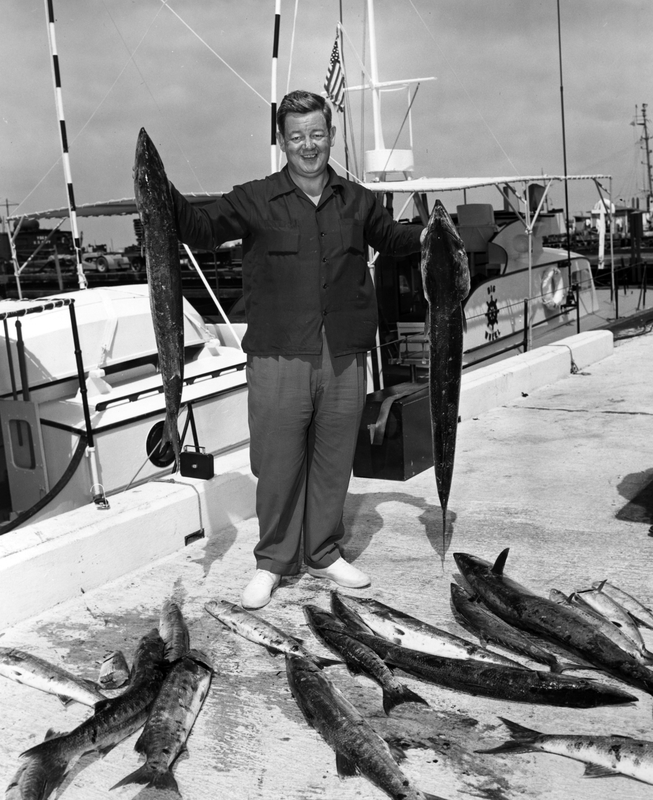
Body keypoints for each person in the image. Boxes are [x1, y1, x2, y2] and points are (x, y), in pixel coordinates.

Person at [170, 90, 424, 609]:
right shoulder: (254, 197)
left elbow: (395, 239)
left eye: (317, 134)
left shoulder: (358, 201)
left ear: (330, 135)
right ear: (281, 141)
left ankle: (324, 552)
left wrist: (433, 233)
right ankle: (272, 562)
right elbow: (200, 229)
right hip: (279, 354)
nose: (308, 146)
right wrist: (159, 189)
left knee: (333, 460)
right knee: (278, 462)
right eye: (297, 136)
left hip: (346, 352)